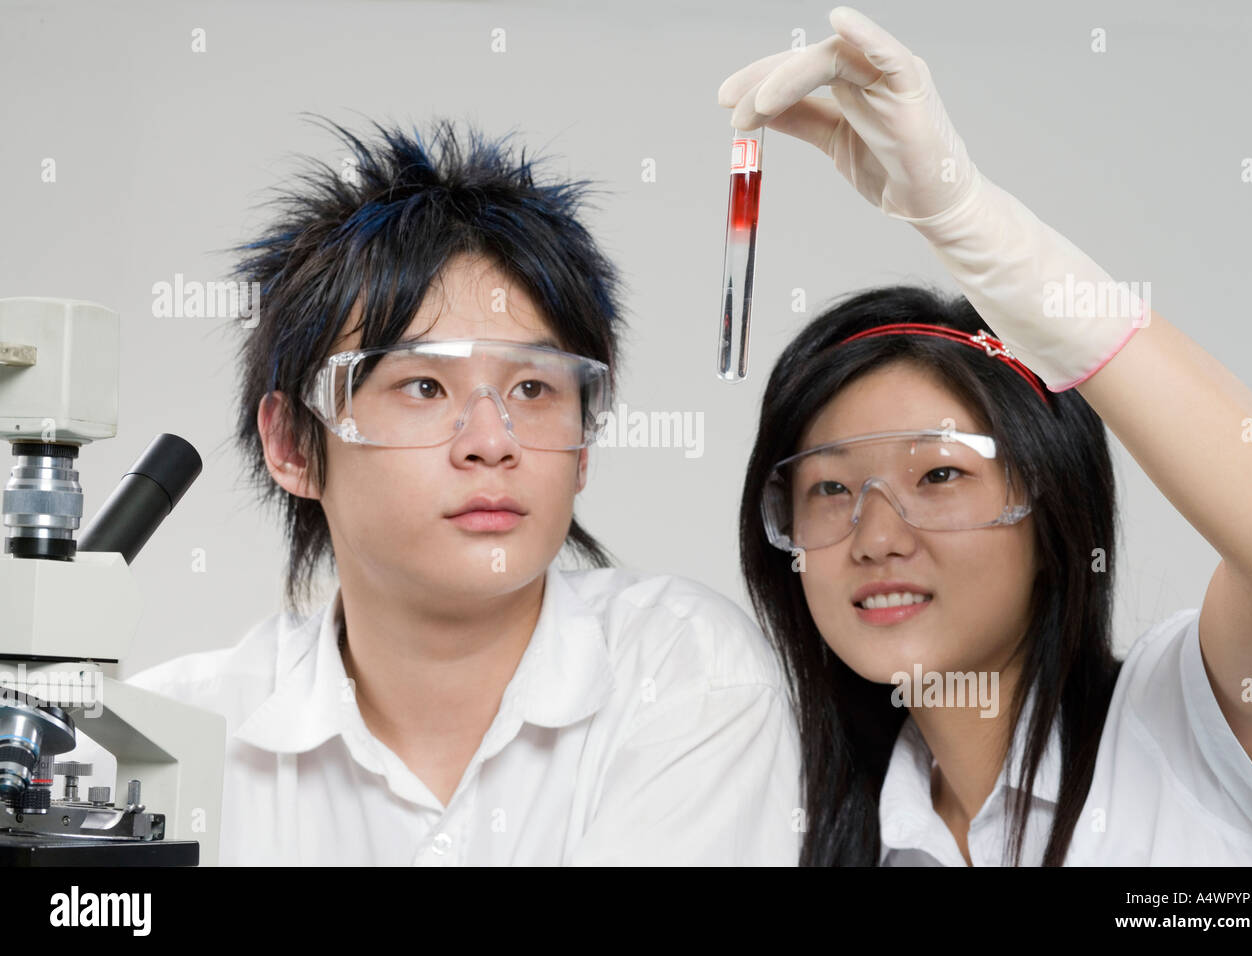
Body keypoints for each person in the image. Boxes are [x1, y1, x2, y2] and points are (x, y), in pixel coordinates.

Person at [126, 116, 800, 865]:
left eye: (534, 387)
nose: (493, 439)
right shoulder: (158, 742)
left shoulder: (679, 672)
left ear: (582, 448)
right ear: (291, 444)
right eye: (422, 385)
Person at [723, 7, 1252, 864]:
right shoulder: (817, 833)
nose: (876, 536)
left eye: (940, 476)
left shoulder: (1185, 726)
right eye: (831, 489)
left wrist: (978, 226)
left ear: (1050, 500)